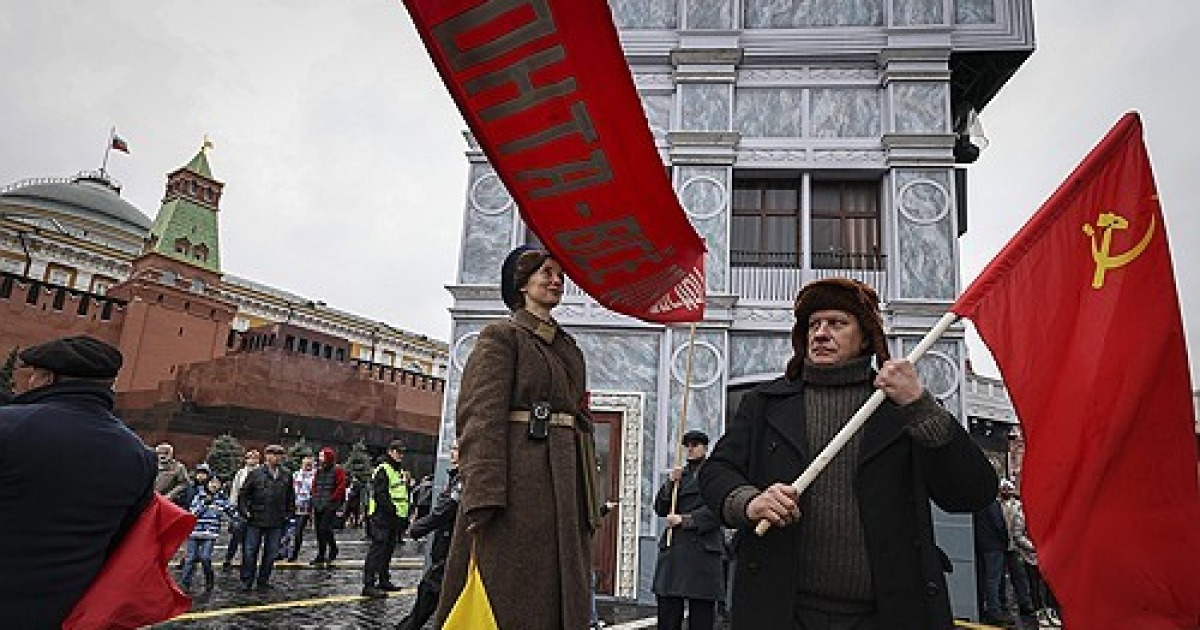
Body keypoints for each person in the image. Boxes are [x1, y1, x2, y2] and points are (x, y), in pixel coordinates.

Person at [698, 278, 998, 629]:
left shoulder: (899, 409)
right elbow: (717, 471)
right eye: (813, 325)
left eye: (837, 323)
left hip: (885, 614)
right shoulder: (765, 403)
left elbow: (971, 492)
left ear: (866, 337)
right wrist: (749, 502)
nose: (821, 334)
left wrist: (921, 407)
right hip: (782, 611)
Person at [435, 246, 601, 630]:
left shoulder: (569, 349)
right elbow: (479, 418)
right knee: (509, 599)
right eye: (545, 272)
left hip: (565, 489)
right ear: (521, 283)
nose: (556, 280)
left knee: (562, 598)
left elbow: (582, 423)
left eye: (560, 274)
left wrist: (589, 492)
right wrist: (485, 494)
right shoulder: (501, 337)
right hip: (515, 491)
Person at [0, 335, 157, 626]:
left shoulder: (8, 426)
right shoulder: (139, 455)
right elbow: (126, 541)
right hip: (68, 614)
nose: (30, 381)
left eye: (34, 374)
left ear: (48, 378)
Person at [653, 430, 725, 630]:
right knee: (667, 612)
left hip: (703, 551)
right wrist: (669, 484)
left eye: (695, 445)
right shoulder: (679, 475)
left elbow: (718, 509)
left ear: (705, 447)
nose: (690, 449)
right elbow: (660, 508)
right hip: (674, 550)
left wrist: (686, 520)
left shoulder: (715, 475)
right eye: (688, 445)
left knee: (701, 616)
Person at [396, 443, 461, 630]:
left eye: (456, 449)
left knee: (429, 592)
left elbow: (444, 510)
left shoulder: (463, 480)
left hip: (450, 547)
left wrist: (417, 528)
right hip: (445, 545)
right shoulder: (456, 478)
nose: (452, 453)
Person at [237, 443, 295, 591]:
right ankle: (247, 579)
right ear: (266, 456)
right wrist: (245, 512)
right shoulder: (256, 473)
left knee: (271, 553)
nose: (275, 458)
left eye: (279, 455)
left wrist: (288, 514)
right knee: (250, 551)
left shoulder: (286, 474)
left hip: (276, 520)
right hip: (255, 518)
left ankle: (263, 580)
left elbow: (290, 497)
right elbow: (243, 494)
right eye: (272, 454)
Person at [362, 440, 410, 598]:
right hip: (382, 516)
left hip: (393, 517)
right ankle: (369, 584)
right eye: (398, 452)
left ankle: (383, 579)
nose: (400, 455)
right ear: (390, 451)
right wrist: (393, 511)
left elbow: (402, 494)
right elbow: (380, 495)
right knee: (377, 550)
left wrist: (402, 516)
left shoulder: (398, 471)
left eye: (402, 452)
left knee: (388, 549)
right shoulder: (383, 469)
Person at [181, 475, 238, 592]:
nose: (214, 485)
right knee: (190, 559)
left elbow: (232, 512)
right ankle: (184, 584)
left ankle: (209, 579)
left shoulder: (222, 499)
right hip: (195, 532)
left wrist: (238, 520)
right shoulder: (198, 496)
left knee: (205, 557)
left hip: (210, 533)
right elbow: (193, 513)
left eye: (217, 483)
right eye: (212, 482)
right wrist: (204, 504)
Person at [974, 488, 1011, 624]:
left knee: (984, 579)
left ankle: (984, 608)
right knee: (993, 580)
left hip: (981, 546)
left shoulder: (976, 504)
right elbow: (999, 523)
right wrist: (1005, 539)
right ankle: (995, 611)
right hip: (994, 546)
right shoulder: (991, 503)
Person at [310, 446, 348, 568]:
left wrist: (333, 499)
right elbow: (315, 485)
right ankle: (322, 554)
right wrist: (314, 497)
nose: (320, 458)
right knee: (319, 530)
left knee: (324, 528)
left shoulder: (337, 470)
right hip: (318, 503)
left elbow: (341, 486)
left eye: (322, 455)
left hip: (330, 504)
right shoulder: (319, 471)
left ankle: (331, 548)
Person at [223, 448, 260, 569]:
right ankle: (229, 558)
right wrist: (232, 505)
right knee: (236, 535)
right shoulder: (241, 473)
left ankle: (247, 561)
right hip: (240, 508)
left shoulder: (261, 472)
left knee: (249, 538)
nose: (251, 460)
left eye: (254, 458)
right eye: (249, 457)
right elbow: (235, 489)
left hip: (255, 509)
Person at [287, 455, 316, 562]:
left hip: (305, 508)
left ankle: (294, 553)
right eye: (305, 464)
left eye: (309, 465)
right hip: (292, 506)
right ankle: (282, 551)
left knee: (298, 532)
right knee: (286, 531)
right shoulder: (295, 475)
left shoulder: (315, 476)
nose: (307, 466)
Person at [154, 442, 190, 506]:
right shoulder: (152, 464)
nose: (162, 456)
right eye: (159, 453)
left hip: (168, 501)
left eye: (166, 453)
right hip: (152, 499)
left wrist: (170, 495)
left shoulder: (178, 467)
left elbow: (184, 484)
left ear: (171, 454)